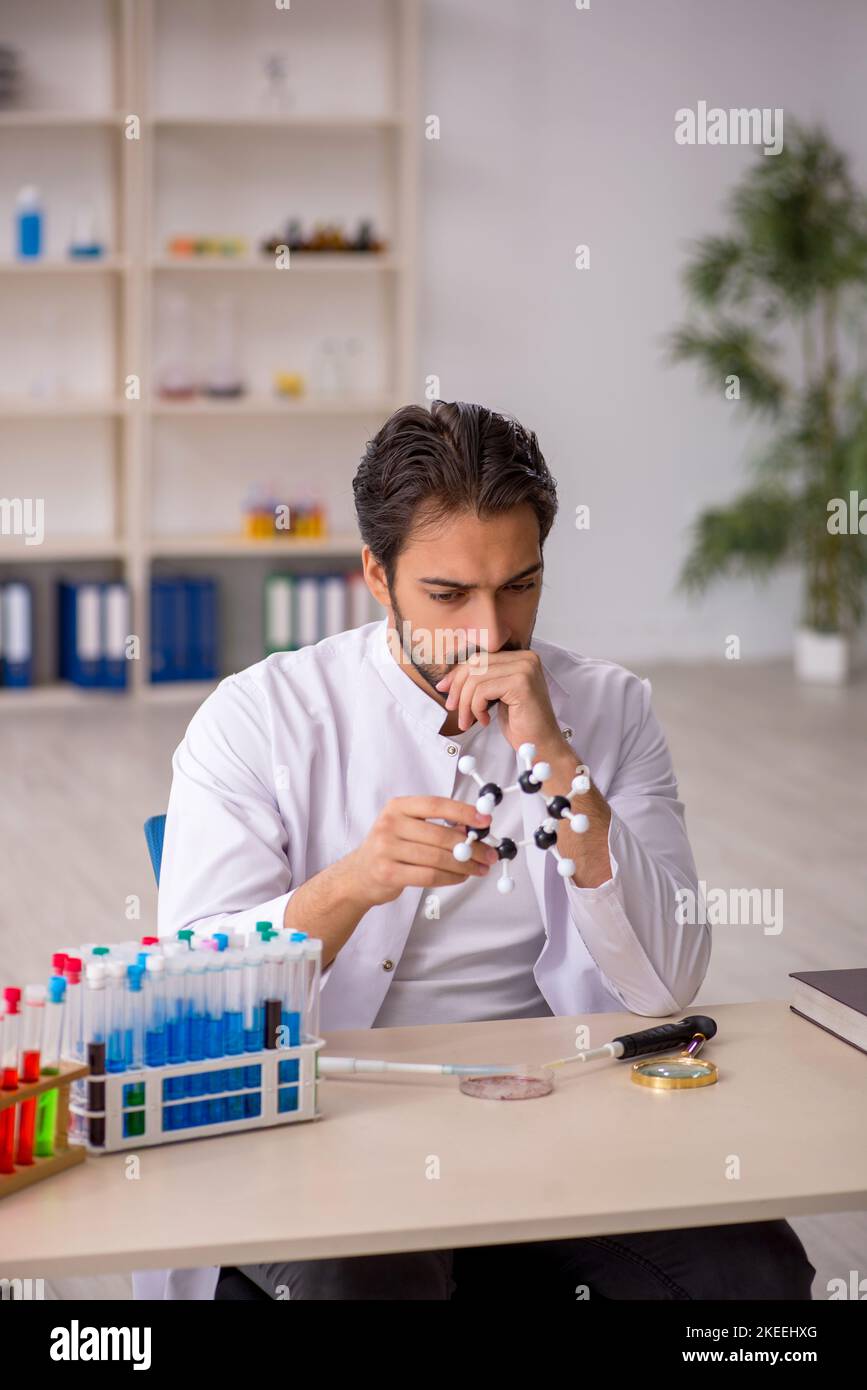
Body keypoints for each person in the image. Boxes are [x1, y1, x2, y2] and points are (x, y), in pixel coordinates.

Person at [155, 400, 815, 1301]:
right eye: (447, 595)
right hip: (331, 1117)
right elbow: (190, 997)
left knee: (753, 1278)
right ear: (375, 577)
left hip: (561, 1110)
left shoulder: (609, 709)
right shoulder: (258, 717)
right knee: (373, 1281)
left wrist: (563, 770)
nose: (489, 632)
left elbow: (664, 986)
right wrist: (350, 885)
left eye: (519, 586)